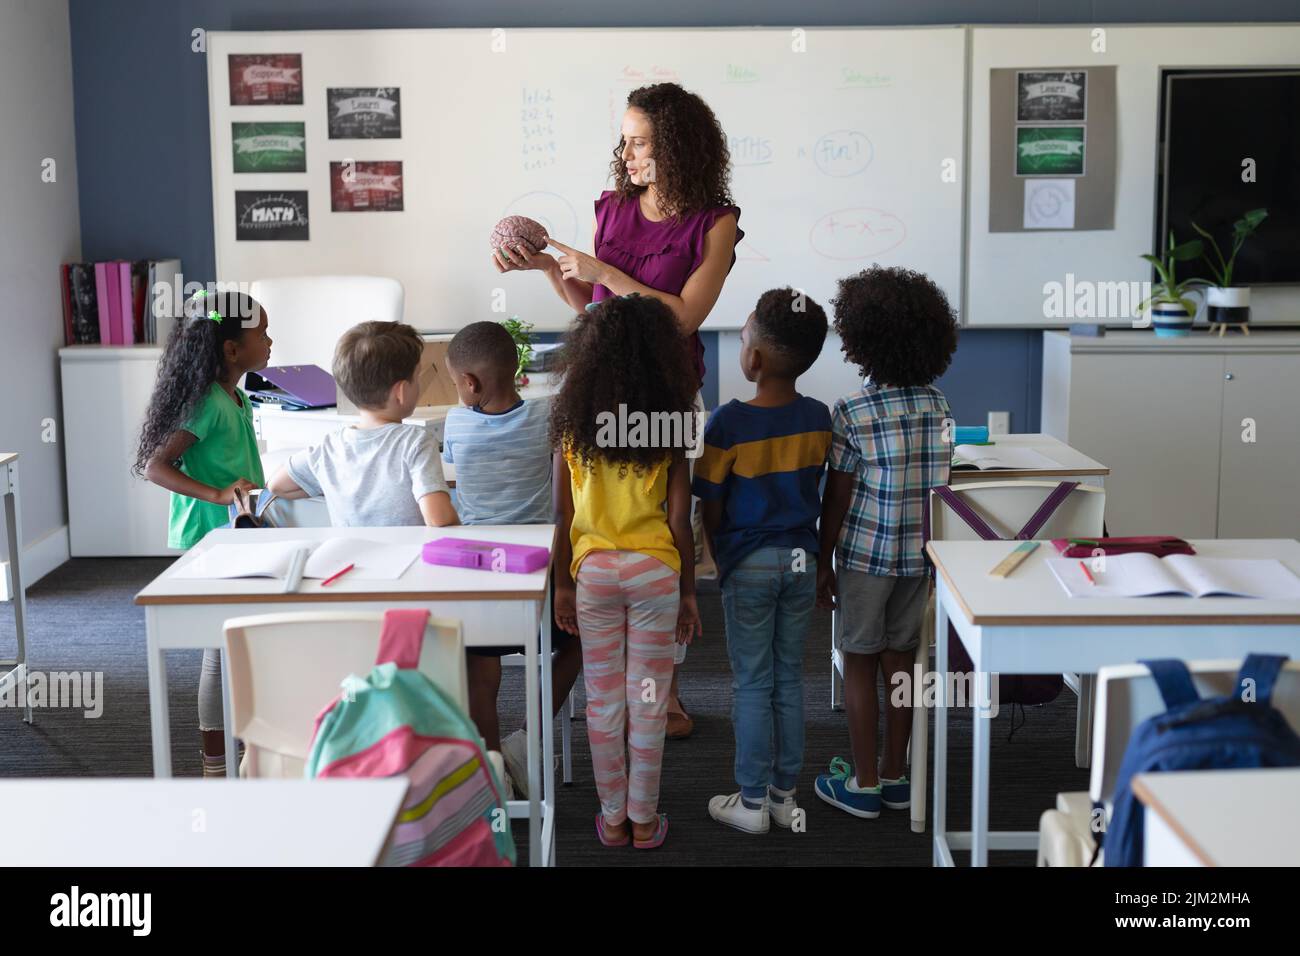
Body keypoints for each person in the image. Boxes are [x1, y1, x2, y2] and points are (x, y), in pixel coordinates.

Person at [493, 81, 744, 738]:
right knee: (597, 528)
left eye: (639, 143)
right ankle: (604, 672)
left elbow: (684, 318)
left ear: (678, 147)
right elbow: (596, 312)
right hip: (604, 385)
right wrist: (550, 269)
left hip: (667, 390)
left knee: (665, 530)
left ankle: (667, 686)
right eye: (626, 140)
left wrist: (600, 269)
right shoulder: (614, 206)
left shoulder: (716, 224)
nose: (626, 154)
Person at [550, 294, 702, 849]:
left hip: (593, 574)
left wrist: (564, 582)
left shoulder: (573, 424)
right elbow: (680, 519)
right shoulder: (674, 423)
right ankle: (644, 819)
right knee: (649, 697)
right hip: (655, 573)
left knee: (604, 699)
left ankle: (611, 819)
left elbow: (562, 514)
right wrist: (689, 593)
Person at [813, 267, 959, 819]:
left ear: (859, 340)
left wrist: (824, 560)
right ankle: (898, 775)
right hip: (917, 560)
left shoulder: (853, 412)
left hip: (865, 561)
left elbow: (839, 499)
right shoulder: (940, 407)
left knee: (858, 660)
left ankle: (865, 783)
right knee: (903, 662)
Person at [693, 288, 831, 834]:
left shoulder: (727, 423)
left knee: (752, 682)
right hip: (802, 561)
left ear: (752, 359)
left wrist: (722, 559)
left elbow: (711, 506)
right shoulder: (820, 418)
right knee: (790, 680)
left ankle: (749, 803)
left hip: (748, 563)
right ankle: (783, 796)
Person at [135, 289, 273, 776]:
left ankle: (246, 749)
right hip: (211, 541)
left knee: (242, 643)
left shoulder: (233, 395)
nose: (271, 341)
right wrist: (217, 496)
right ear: (232, 349)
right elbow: (155, 466)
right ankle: (216, 763)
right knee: (217, 652)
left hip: (235, 533)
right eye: (262, 333)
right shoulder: (207, 403)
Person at [441, 320, 581, 797]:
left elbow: (456, 472)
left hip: (481, 575)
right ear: (517, 369)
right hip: (541, 574)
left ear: (470, 384)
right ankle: (529, 737)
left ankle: (492, 764)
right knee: (577, 643)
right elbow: (564, 503)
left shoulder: (456, 422)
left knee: (480, 668)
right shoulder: (550, 418)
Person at [266, 320, 457, 529]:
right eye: (416, 378)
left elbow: (276, 485)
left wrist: (331, 485)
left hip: (351, 556)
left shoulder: (330, 448)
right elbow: (439, 519)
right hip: (406, 557)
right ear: (401, 392)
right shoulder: (415, 441)